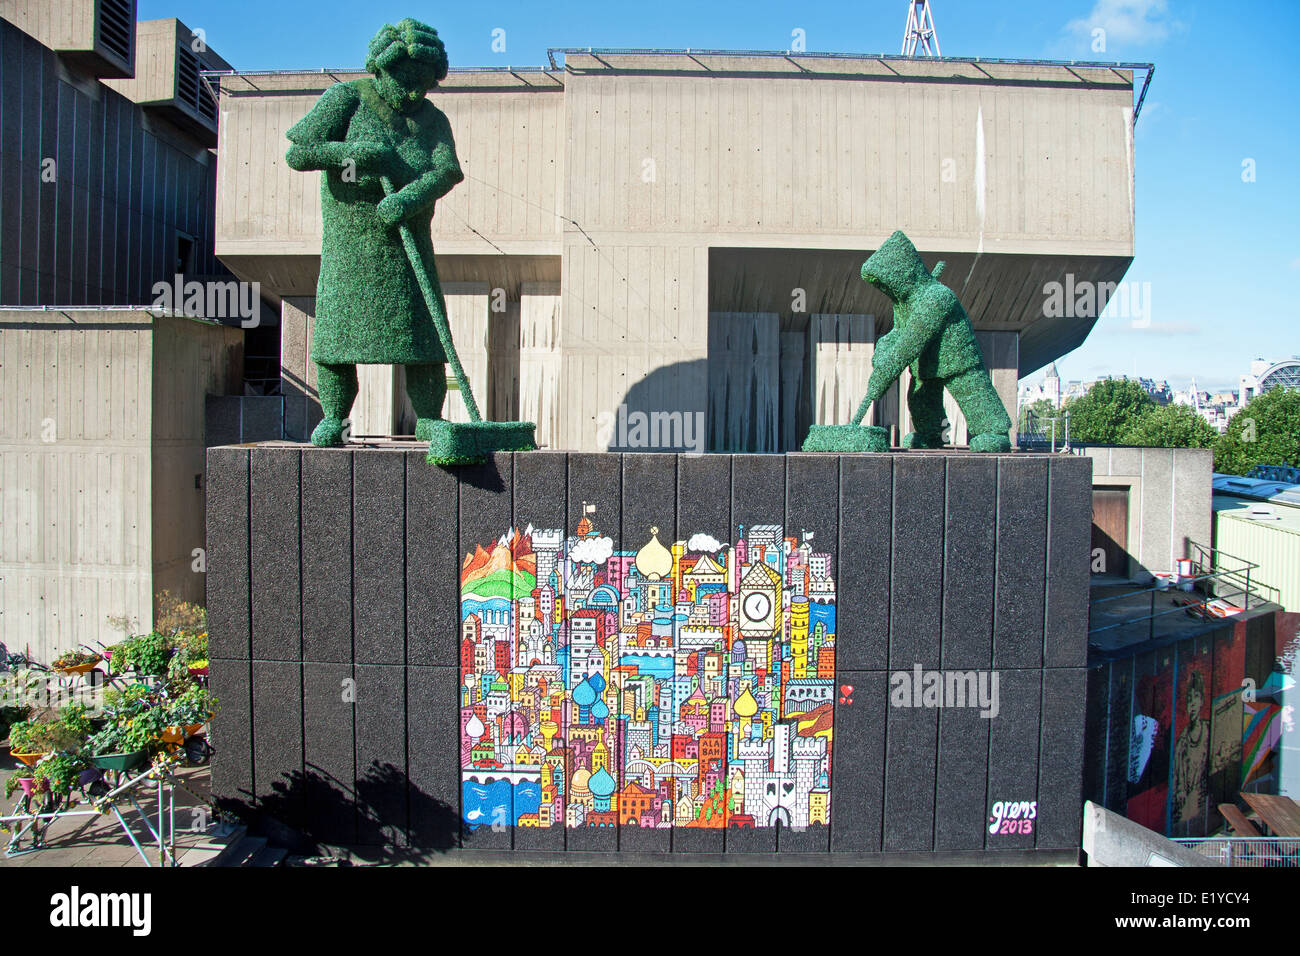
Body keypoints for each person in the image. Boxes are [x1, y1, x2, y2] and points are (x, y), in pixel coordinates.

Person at [285, 18, 464, 446]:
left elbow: (448, 171)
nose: (415, 92)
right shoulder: (346, 98)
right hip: (351, 249)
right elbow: (299, 152)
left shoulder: (432, 119)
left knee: (423, 339)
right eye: (407, 80)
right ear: (382, 69)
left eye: (424, 83)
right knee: (338, 340)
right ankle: (334, 416)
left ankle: (428, 417)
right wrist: (353, 153)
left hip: (409, 245)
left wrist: (407, 199)